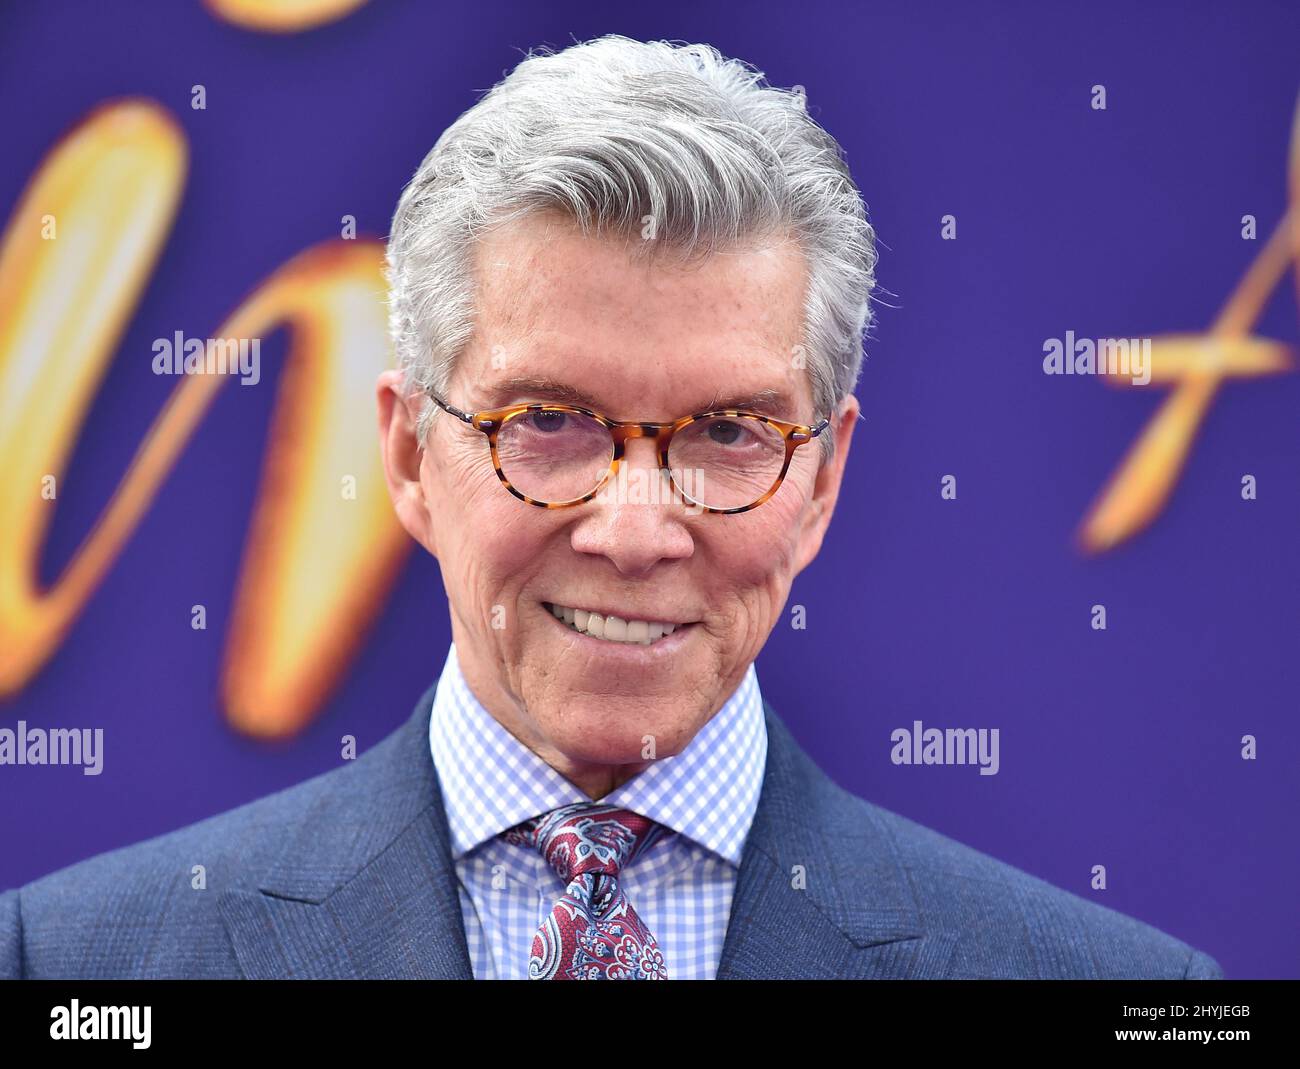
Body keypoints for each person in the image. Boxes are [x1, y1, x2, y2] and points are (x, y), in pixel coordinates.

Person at [0, 35, 1222, 980]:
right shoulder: (75, 966)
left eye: (729, 433)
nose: (633, 531)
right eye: (547, 422)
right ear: (411, 454)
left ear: (821, 482)